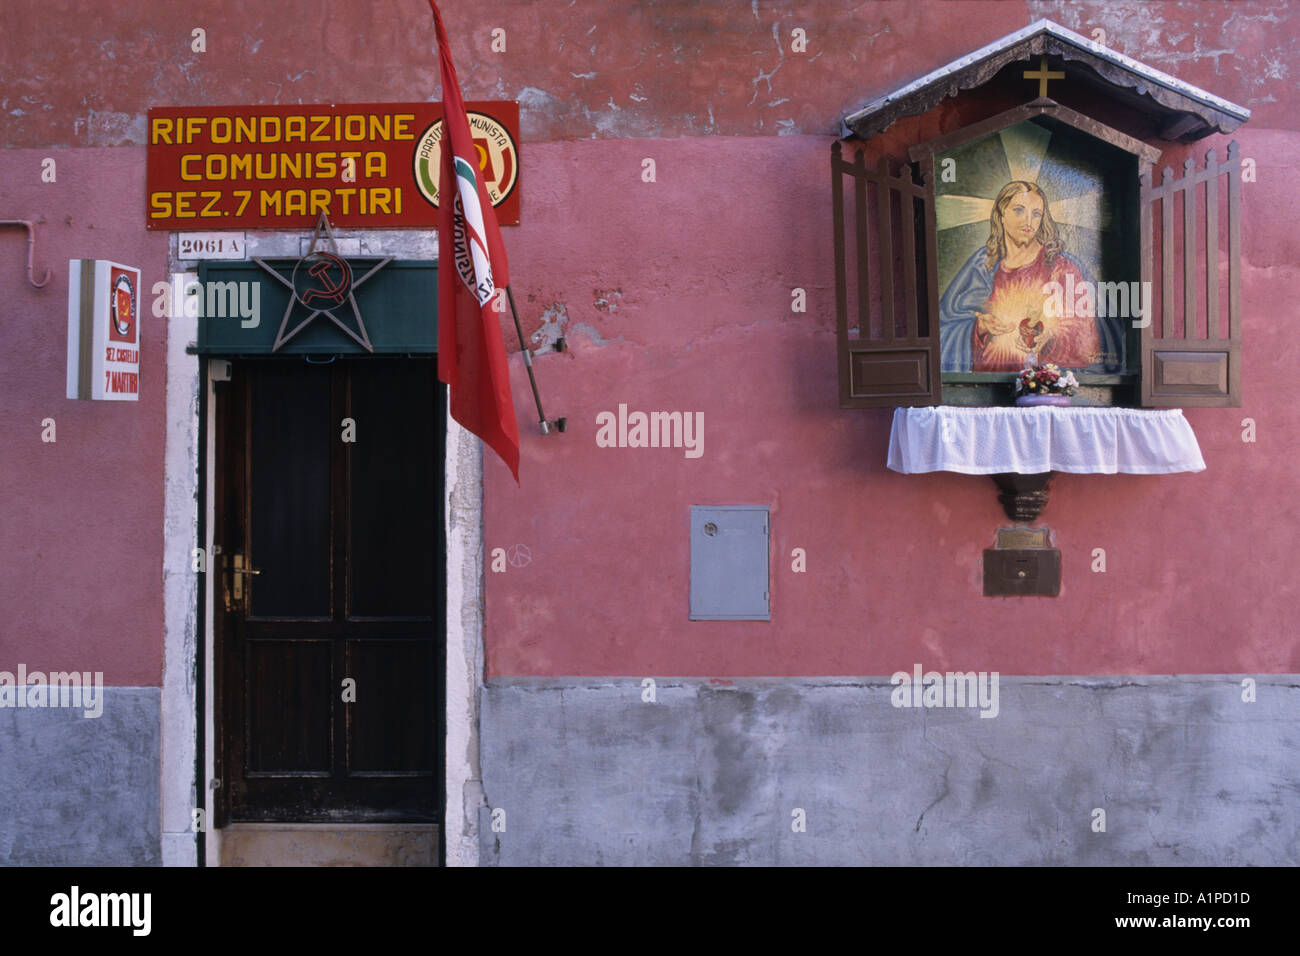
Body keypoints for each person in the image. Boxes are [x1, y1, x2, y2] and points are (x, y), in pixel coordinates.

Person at [938, 180, 1123, 373]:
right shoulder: (982, 265)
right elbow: (944, 331)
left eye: (1036, 214)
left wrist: (1051, 337)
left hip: (1042, 383)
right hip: (986, 384)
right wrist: (979, 327)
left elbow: (1084, 334)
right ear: (1001, 215)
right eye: (1019, 210)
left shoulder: (1060, 267)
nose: (1028, 221)